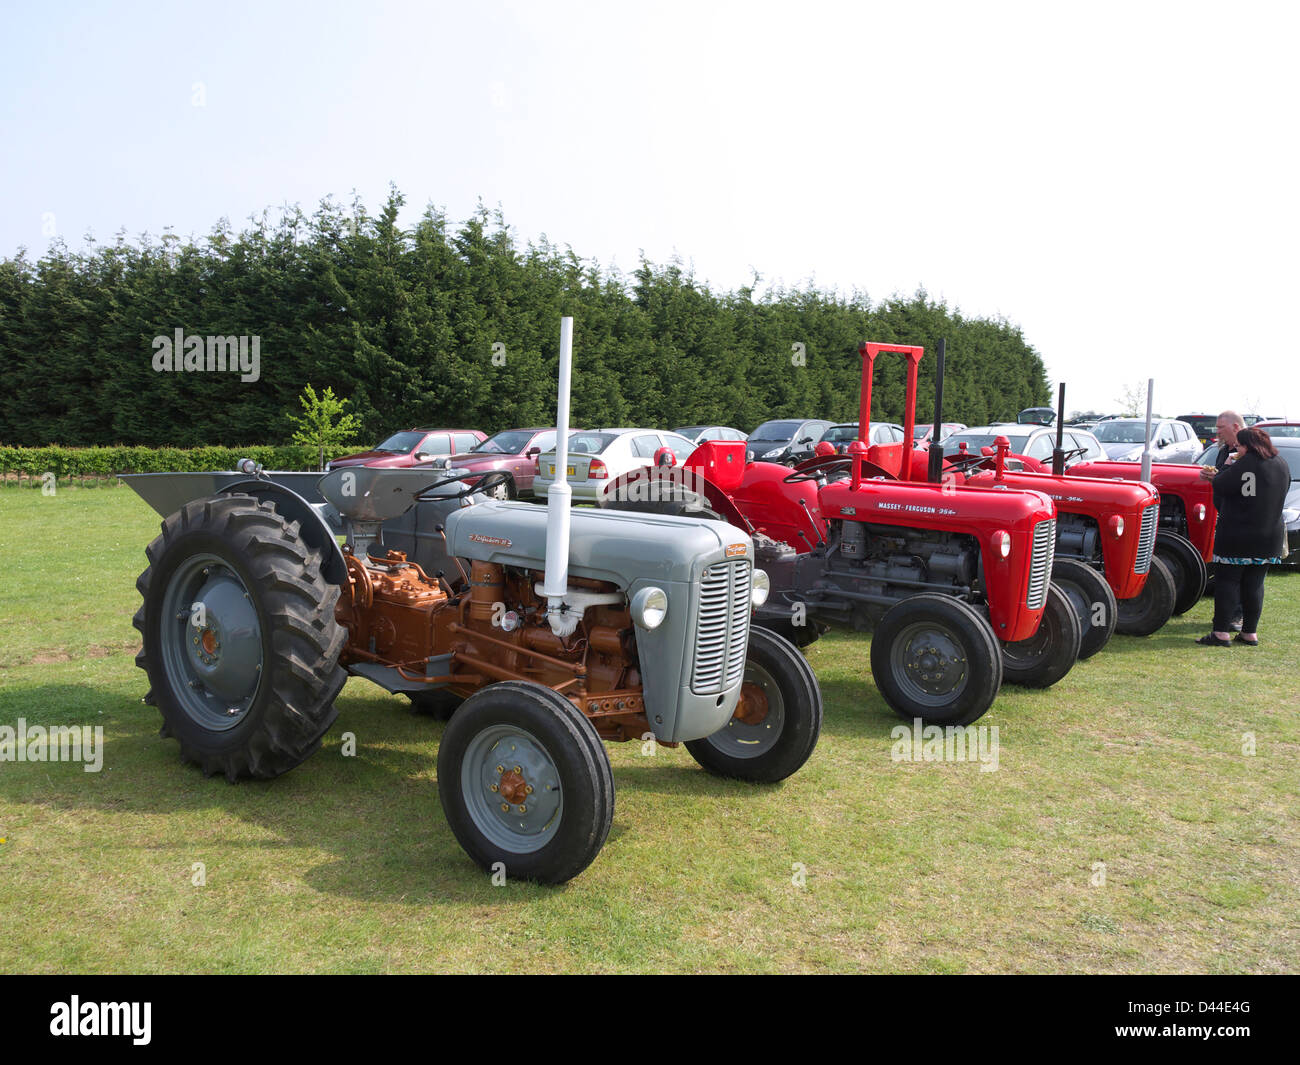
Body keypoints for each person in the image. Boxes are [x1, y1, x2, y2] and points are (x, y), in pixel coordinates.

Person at [1196, 427, 1287, 646]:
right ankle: (1249, 632)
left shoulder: (1246, 463)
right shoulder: (1281, 464)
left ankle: (1220, 634)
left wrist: (1225, 467)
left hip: (1238, 535)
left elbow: (1222, 485)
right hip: (1269, 536)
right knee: (1255, 584)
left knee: (1227, 582)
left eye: (1239, 446)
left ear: (1248, 446)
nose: (1237, 449)